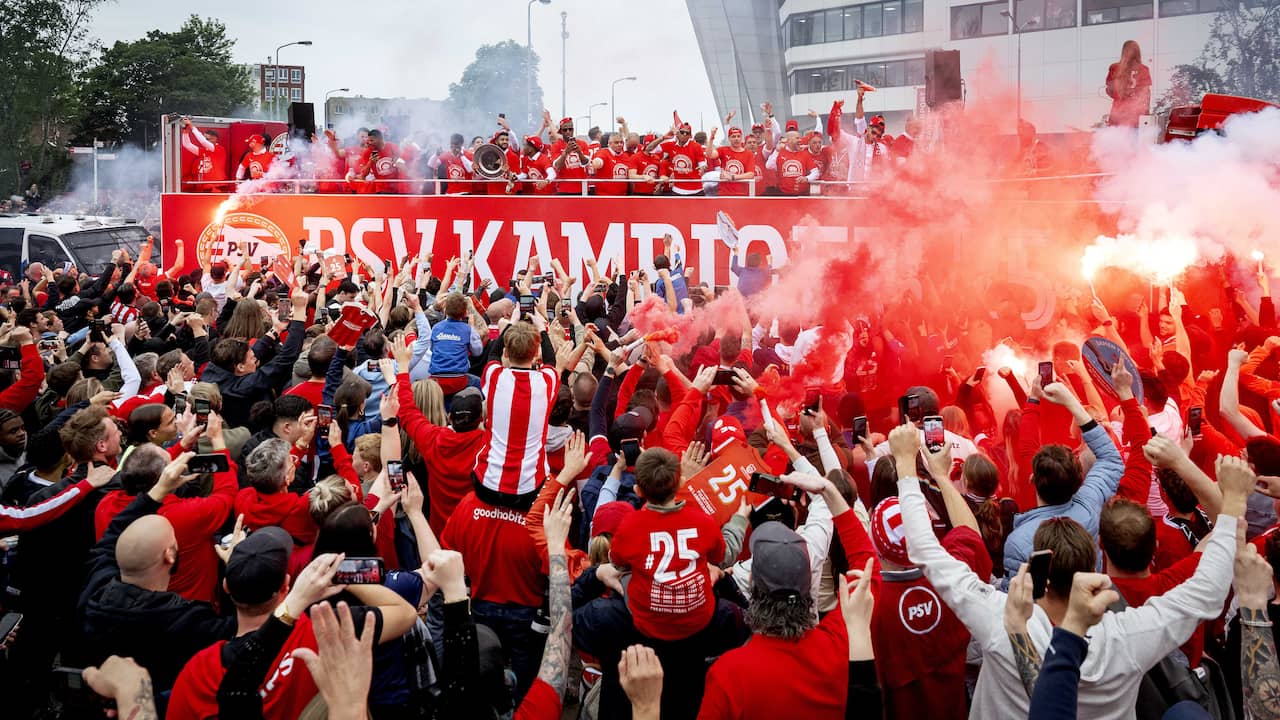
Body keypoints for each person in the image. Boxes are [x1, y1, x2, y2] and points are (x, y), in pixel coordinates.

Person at [891, 423, 1244, 718]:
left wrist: (908, 465)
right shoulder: (1127, 635)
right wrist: (1231, 506)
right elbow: (1209, 591)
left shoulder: (1002, 619)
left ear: (1037, 572)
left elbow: (923, 548)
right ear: (1093, 561)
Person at [77, 451, 237, 692]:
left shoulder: (94, 592)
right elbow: (245, 634)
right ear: (169, 555)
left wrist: (158, 491)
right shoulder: (187, 621)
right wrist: (238, 570)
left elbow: (113, 534)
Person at [1002, 381, 1123, 578]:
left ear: (1033, 479)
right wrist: (1072, 403)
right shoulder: (1089, 507)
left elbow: (1018, 601)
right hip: (1090, 602)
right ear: (1078, 479)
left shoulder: (1018, 541)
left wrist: (1033, 400)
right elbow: (1110, 458)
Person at [200, 289, 308, 428]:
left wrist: (275, 330)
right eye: (252, 359)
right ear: (240, 367)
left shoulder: (214, 369)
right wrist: (299, 313)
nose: (256, 360)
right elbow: (287, 358)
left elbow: (254, 350)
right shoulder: (243, 387)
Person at [1106, 41, 1152, 127]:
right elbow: (1146, 94)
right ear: (1138, 53)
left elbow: (1109, 90)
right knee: (1134, 139)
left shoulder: (1114, 67)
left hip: (1118, 113)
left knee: (1117, 138)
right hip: (1137, 115)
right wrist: (1146, 112)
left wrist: (1119, 96)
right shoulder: (1144, 69)